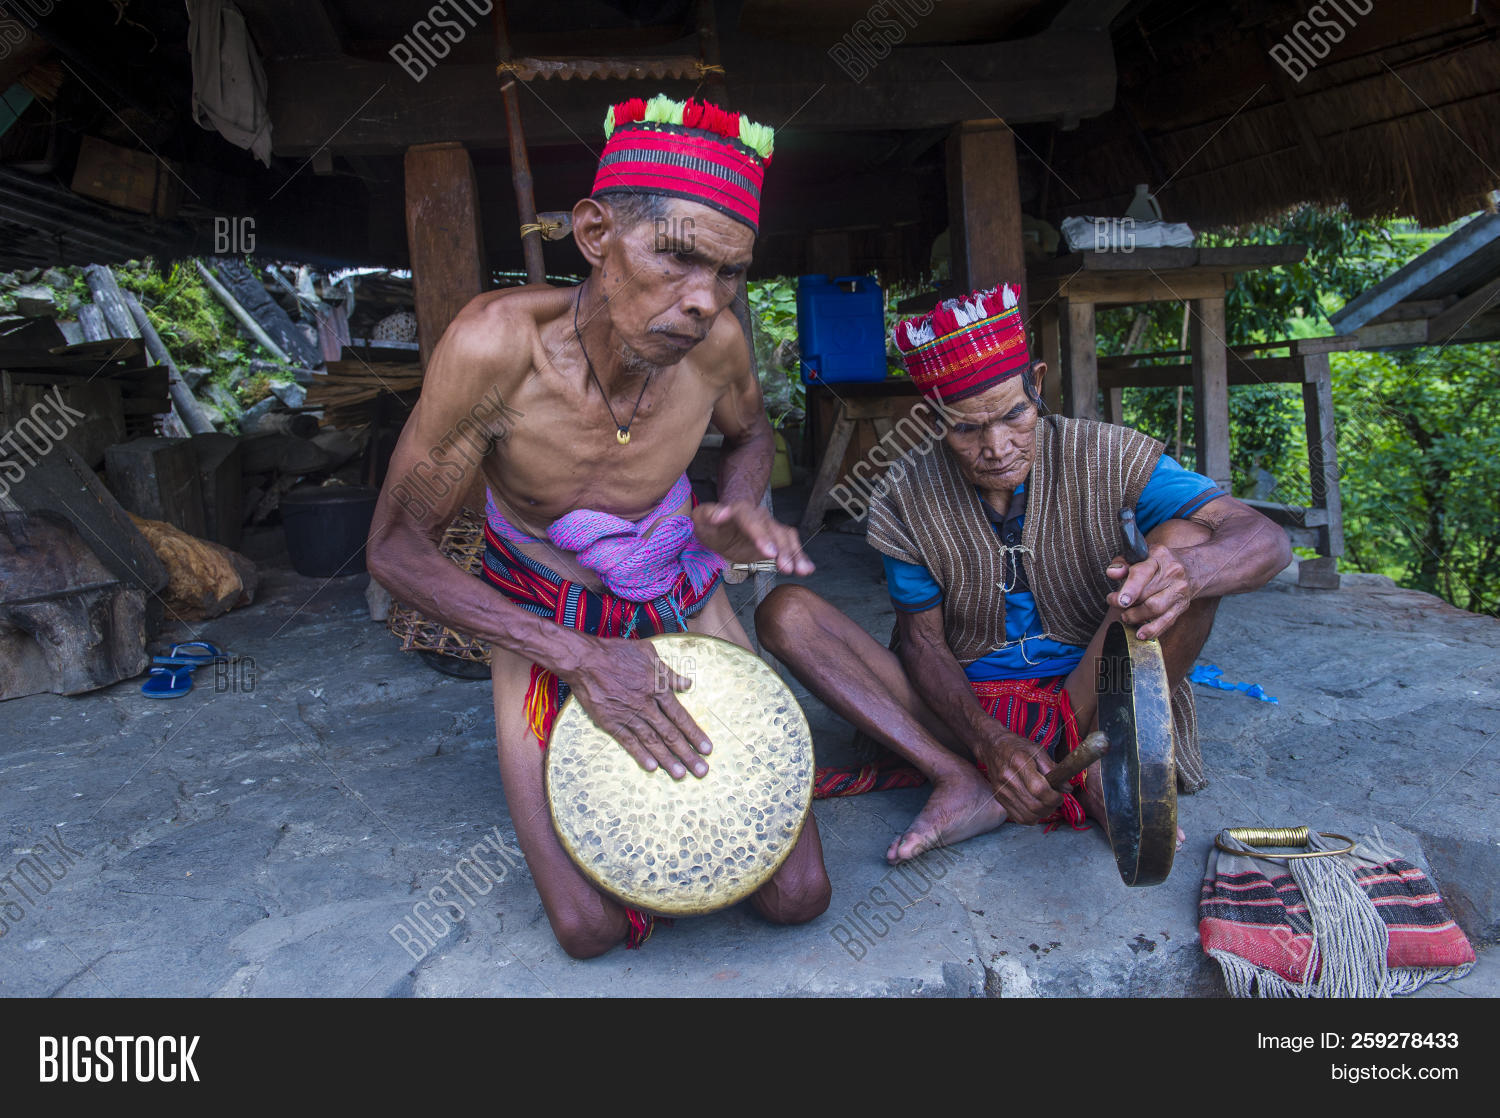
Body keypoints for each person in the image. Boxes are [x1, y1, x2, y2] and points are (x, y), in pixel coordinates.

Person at [368, 94, 829, 957]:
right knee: (588, 929)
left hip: (674, 587)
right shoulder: (495, 349)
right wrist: (579, 658)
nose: (704, 301)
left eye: (729, 273)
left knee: (798, 894)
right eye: (677, 257)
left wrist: (738, 506)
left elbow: (751, 434)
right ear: (593, 234)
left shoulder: (718, 345)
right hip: (547, 611)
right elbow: (394, 547)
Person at [756, 284, 1291, 864]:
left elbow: (1265, 540)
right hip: (964, 712)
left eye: (1014, 414)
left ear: (1037, 384)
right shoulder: (905, 496)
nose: (997, 447)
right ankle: (959, 775)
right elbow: (923, 645)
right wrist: (989, 741)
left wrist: (1187, 572)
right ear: (934, 420)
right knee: (786, 613)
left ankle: (1106, 758)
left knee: (1188, 540)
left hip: (1098, 695)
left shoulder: (1108, 454)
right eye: (966, 428)